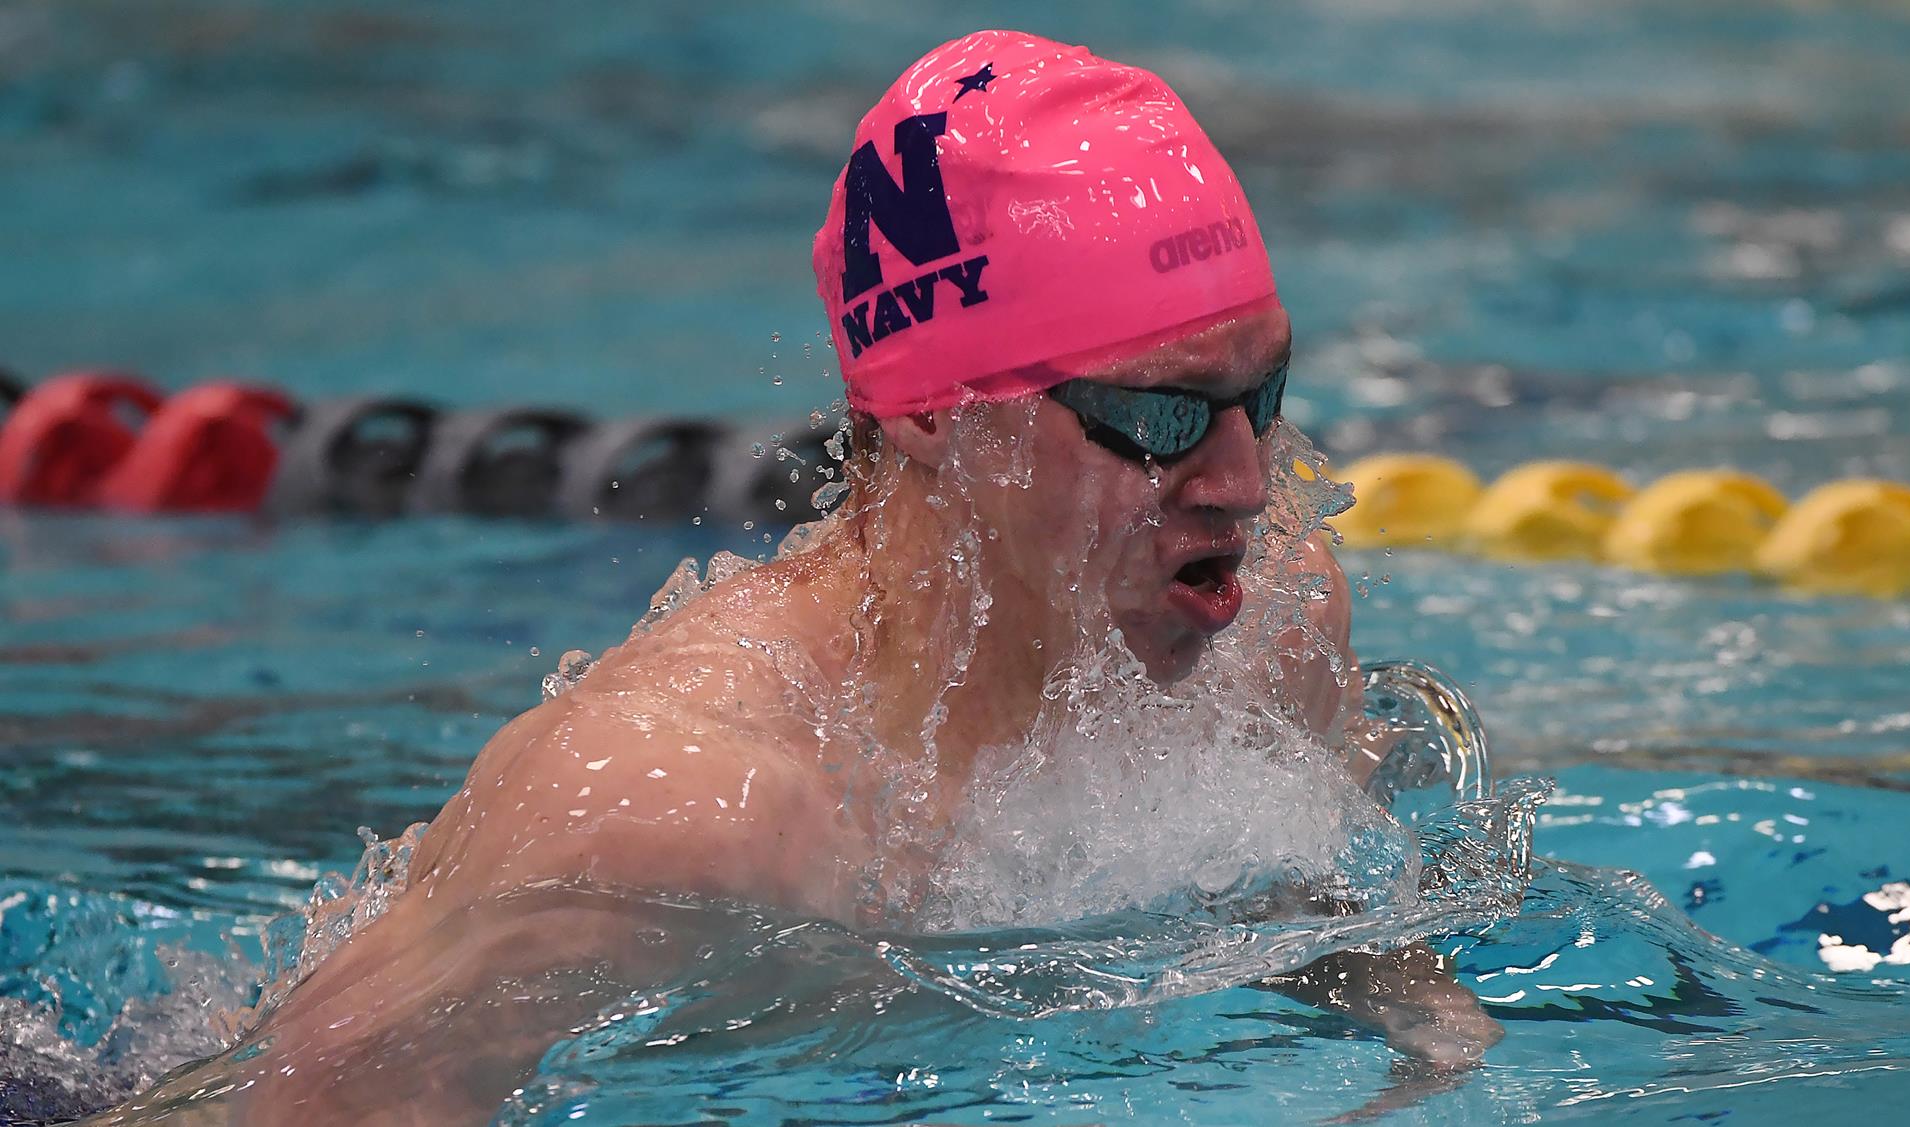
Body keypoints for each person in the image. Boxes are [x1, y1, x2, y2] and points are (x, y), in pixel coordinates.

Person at [92, 30, 1498, 1127]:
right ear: (937, 417)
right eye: (1159, 418)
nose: (1244, 484)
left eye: (1263, 391)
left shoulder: (1274, 623)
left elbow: (1330, 908)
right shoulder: (683, 807)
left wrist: (1437, 1057)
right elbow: (334, 1078)